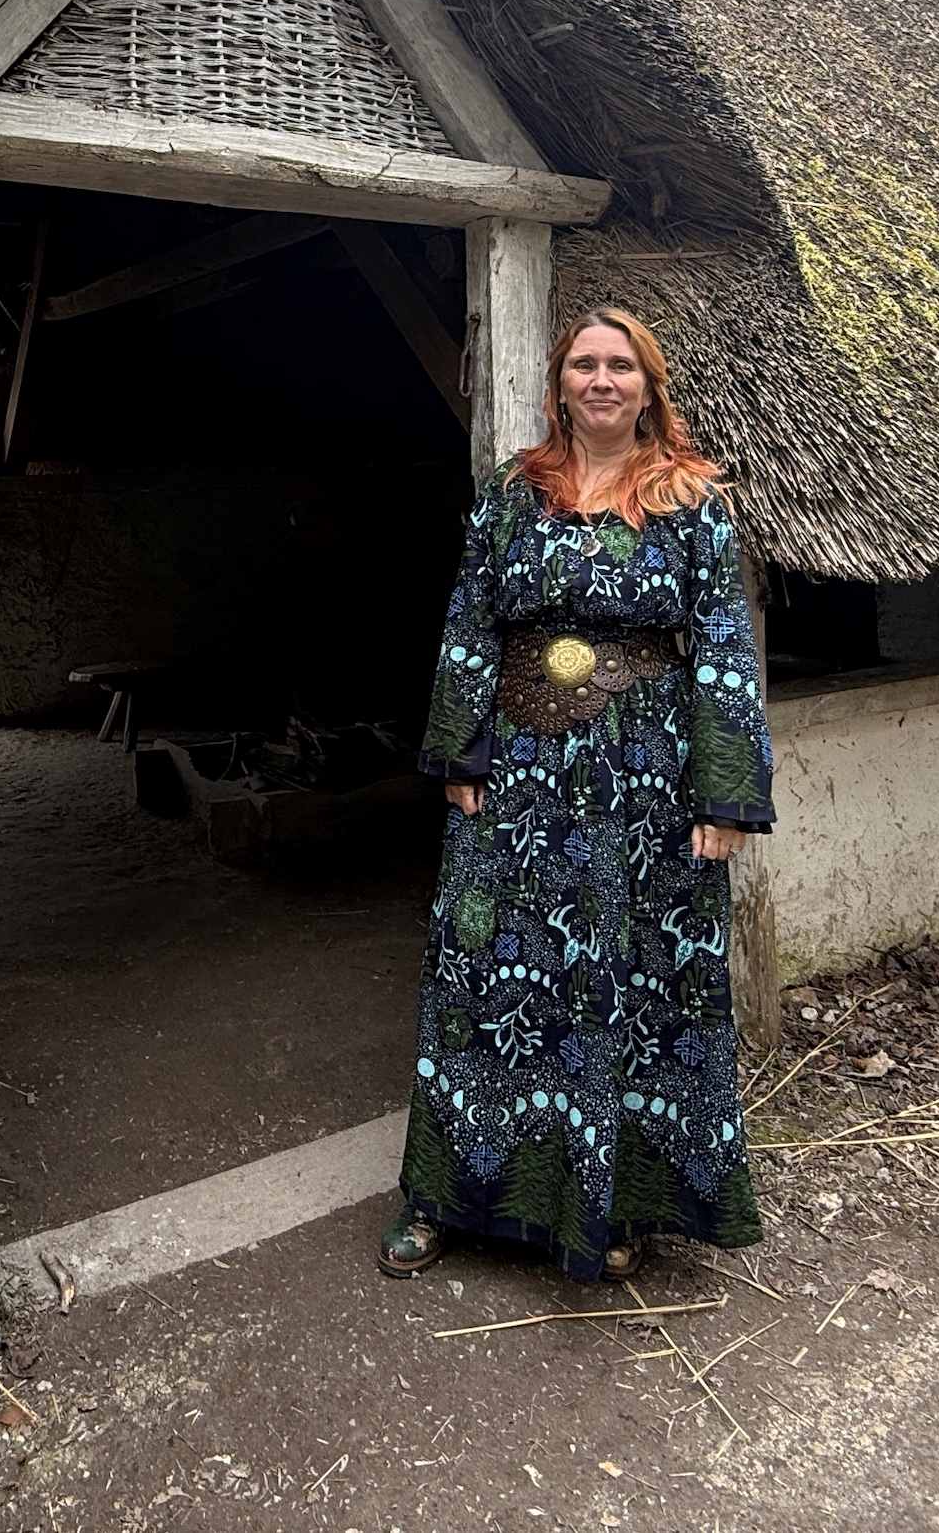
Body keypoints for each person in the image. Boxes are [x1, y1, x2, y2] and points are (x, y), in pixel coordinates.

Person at [380, 307, 775, 1283]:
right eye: (585, 365)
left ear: (649, 384)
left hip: (645, 777)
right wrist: (460, 757)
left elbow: (724, 650)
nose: (602, 380)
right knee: (485, 974)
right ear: (559, 384)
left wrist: (724, 799)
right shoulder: (511, 496)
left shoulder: (692, 503)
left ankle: (619, 1200)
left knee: (625, 981)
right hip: (519, 772)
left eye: (621, 365)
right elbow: (470, 622)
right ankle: (448, 1198)